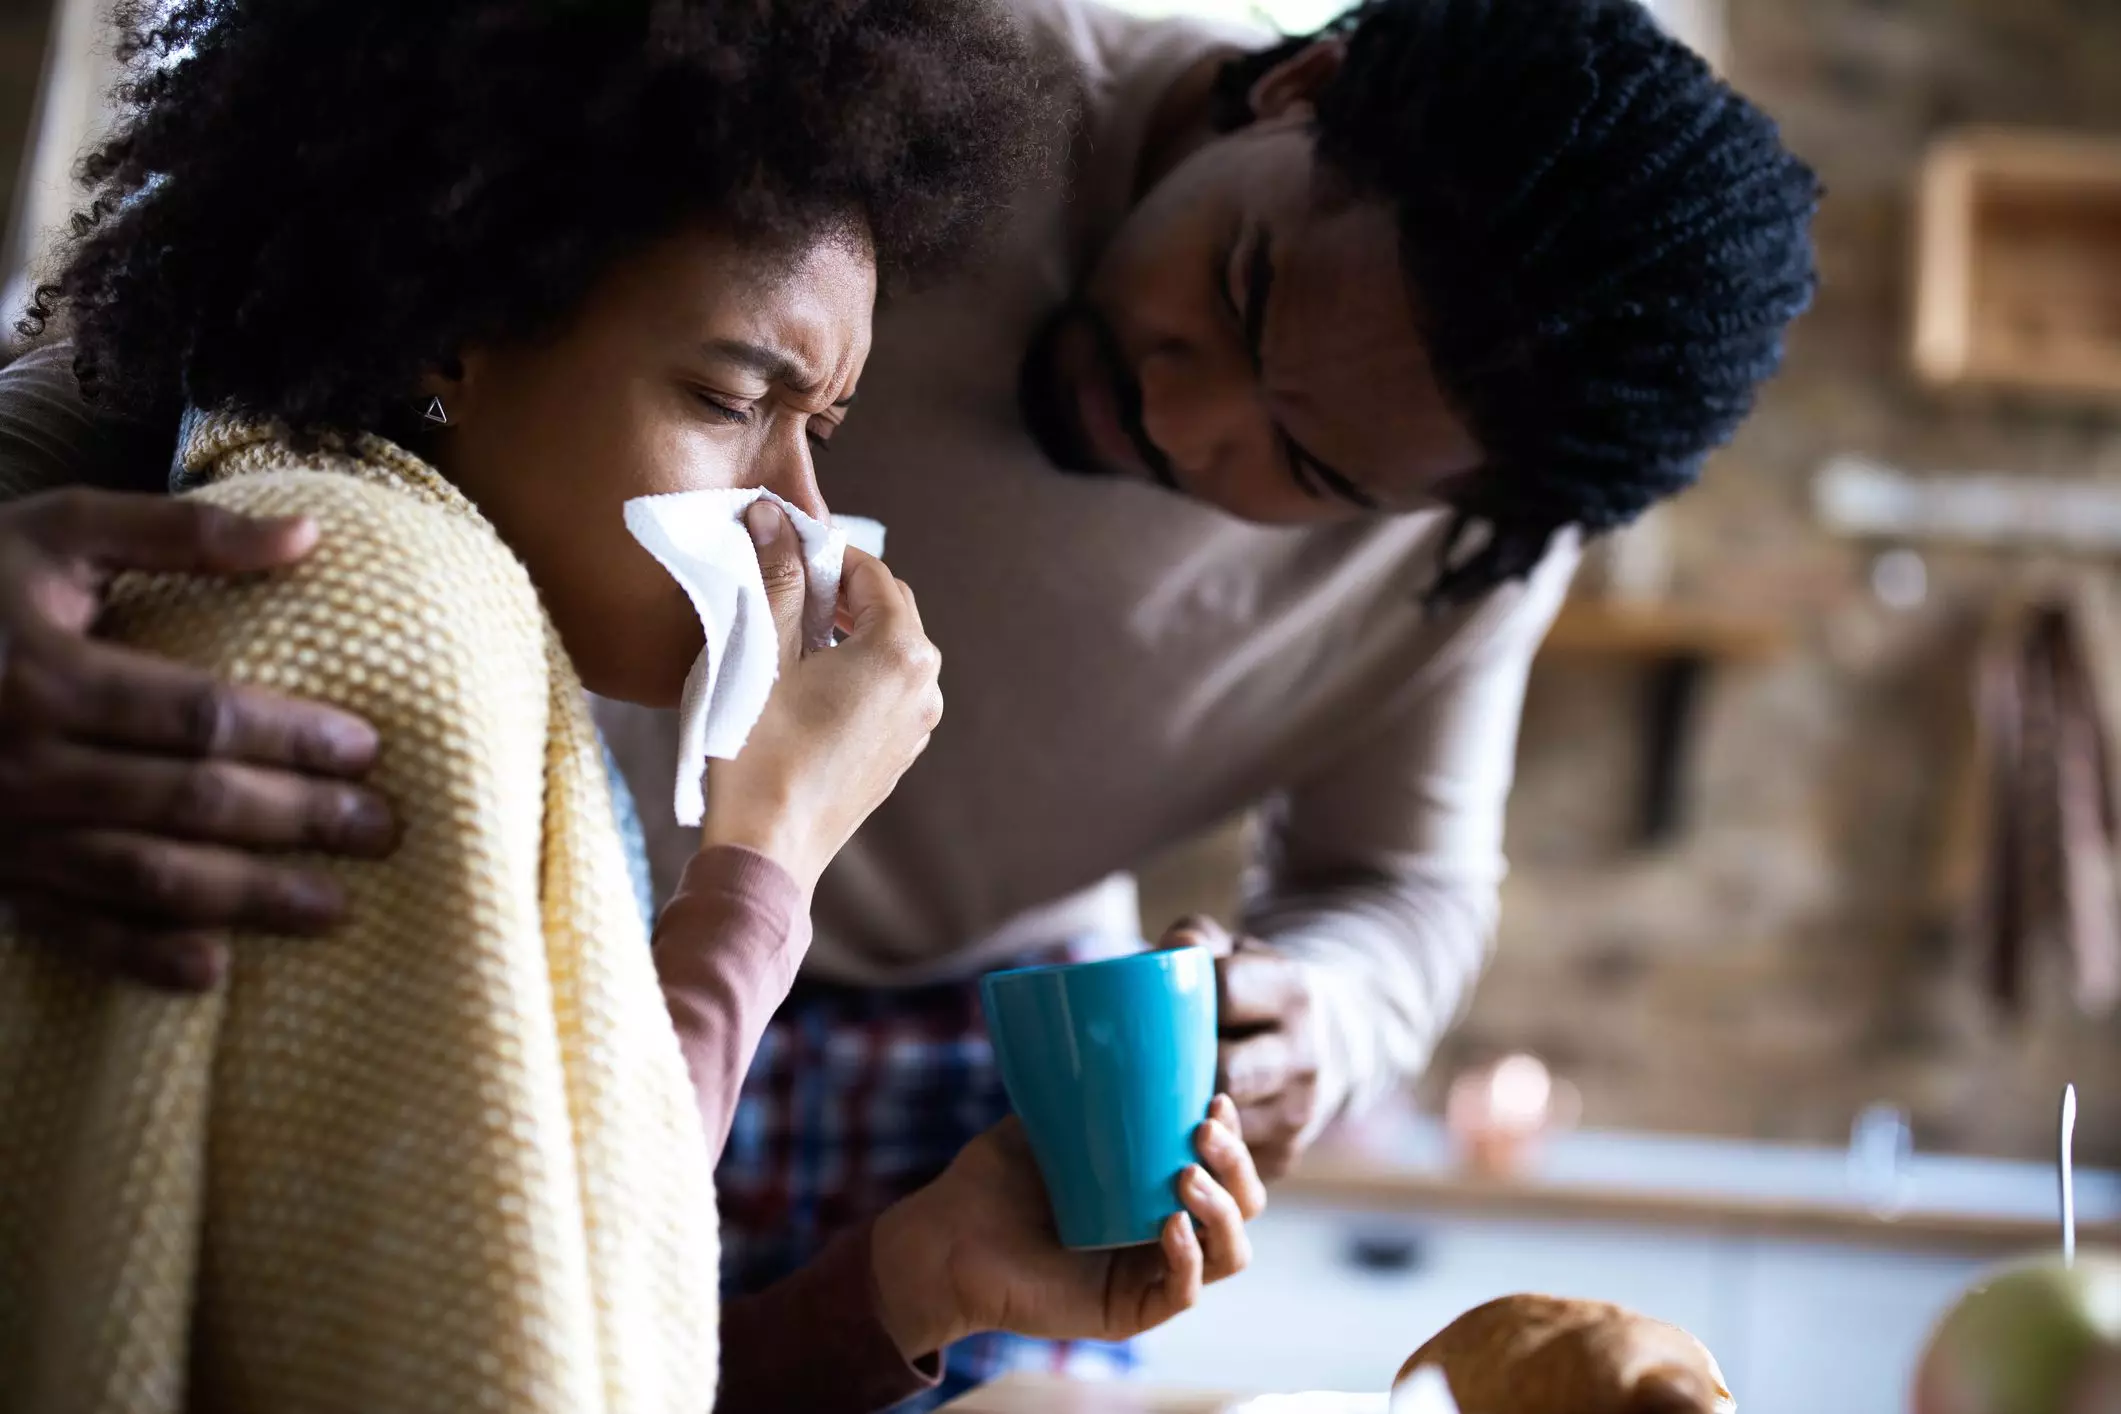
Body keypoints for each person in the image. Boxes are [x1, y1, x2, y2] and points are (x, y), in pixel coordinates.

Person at [0, 0, 1819, 1402]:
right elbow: (182, 318)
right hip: (589, 917)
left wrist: (1311, 1021)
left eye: (1312, 473)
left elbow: (1407, 890)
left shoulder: (1482, 538)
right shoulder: (876, 74)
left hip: (969, 1046)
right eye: (1243, 296)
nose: (1192, 424)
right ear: (1302, 86)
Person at [0, 2, 1262, 1412]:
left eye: (821, 431)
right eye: (732, 397)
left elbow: (510, 1310)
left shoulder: (479, 623)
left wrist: (916, 1280)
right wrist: (766, 861)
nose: (803, 514)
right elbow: (511, 1360)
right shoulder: (365, 610)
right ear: (455, 322)